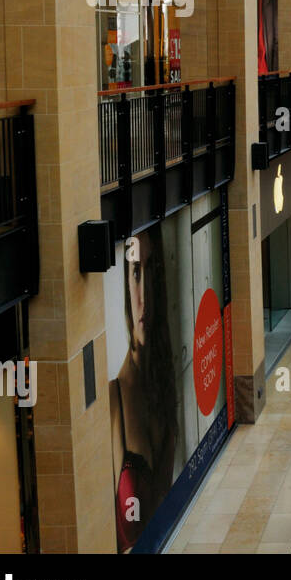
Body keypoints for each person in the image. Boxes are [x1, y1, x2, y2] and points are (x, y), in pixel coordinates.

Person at [110, 227, 177, 552]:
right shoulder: (114, 399)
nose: (145, 295)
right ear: (124, 284)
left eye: (152, 272)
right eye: (136, 273)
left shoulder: (164, 381)